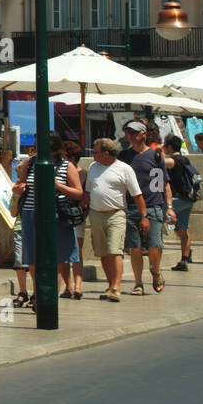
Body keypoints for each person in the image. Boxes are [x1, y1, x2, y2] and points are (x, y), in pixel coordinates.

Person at [11, 133, 83, 308]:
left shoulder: (67, 166)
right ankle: (37, 294)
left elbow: (78, 193)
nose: (37, 150)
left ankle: (50, 297)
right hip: (30, 212)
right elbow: (20, 184)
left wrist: (57, 185)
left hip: (56, 215)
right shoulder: (31, 162)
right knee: (33, 258)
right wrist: (18, 190)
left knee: (56, 258)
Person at [82, 138, 148, 302]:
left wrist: (144, 216)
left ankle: (116, 288)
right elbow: (88, 192)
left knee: (115, 250)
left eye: (96, 152)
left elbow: (137, 195)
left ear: (106, 153)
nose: (93, 155)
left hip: (116, 214)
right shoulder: (93, 167)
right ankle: (110, 285)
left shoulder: (124, 169)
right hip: (95, 213)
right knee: (103, 253)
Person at [119, 121, 175, 292]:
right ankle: (138, 283)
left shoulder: (155, 156)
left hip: (154, 205)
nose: (130, 135)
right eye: (128, 132)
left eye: (134, 132)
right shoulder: (123, 156)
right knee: (135, 247)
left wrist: (170, 206)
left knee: (155, 244)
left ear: (143, 134)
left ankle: (156, 272)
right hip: (131, 206)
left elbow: (164, 184)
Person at [163, 132, 195, 271]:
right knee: (183, 230)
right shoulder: (185, 160)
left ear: (169, 147)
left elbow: (157, 160)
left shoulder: (171, 161)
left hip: (176, 199)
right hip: (187, 199)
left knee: (155, 216)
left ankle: (149, 246)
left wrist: (157, 149)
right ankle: (185, 259)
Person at [62, 136, 87, 298]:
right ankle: (68, 286)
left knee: (76, 251)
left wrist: (80, 211)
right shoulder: (61, 171)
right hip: (63, 215)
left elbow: (86, 195)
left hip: (77, 216)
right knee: (64, 253)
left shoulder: (83, 174)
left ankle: (78, 285)